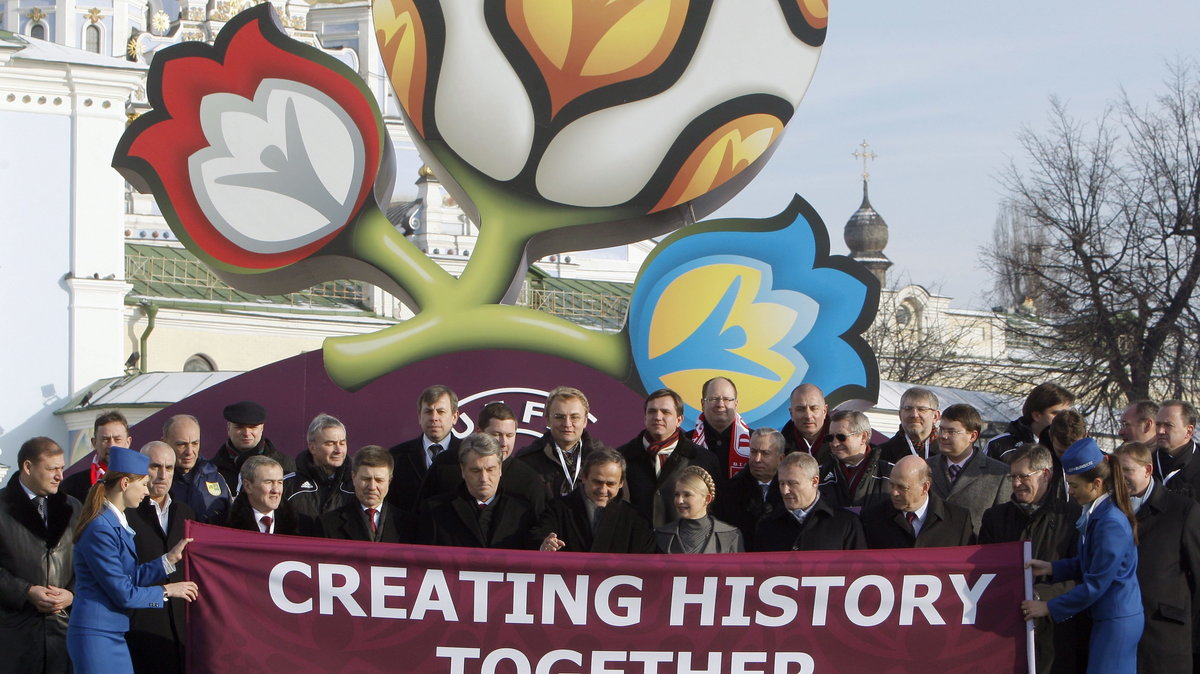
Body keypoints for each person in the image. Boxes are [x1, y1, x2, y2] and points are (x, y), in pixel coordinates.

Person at [66, 446, 198, 674]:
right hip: (96, 633)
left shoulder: (113, 524)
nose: (147, 491)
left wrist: (167, 560)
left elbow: (128, 578)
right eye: (143, 484)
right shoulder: (101, 528)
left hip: (112, 631)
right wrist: (167, 591)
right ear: (125, 484)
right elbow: (123, 592)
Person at [1022, 438, 1143, 674]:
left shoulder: (1110, 522)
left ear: (1096, 483)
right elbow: (1091, 562)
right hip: (1109, 617)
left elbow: (1098, 582)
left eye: (1075, 485)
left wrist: (1048, 606)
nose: (1070, 491)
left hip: (1116, 620)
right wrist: (1052, 568)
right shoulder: (1100, 513)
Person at [979, 445, 1084, 674]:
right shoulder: (995, 518)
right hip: (1003, 631)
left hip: (1055, 634)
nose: (1016, 483)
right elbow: (982, 571)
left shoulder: (1073, 518)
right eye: (1013, 476)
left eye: (1023, 476)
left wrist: (1042, 598)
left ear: (1045, 474)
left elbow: (1082, 575)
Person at [1114, 441, 1200, 673]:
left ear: (1148, 470)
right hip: (1117, 633)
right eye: (1116, 471)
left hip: (1166, 637)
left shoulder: (1183, 510)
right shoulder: (1109, 510)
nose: (1121, 478)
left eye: (1127, 470)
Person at [0, 437, 80, 674]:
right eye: (52, 469)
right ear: (27, 467)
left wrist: (72, 594)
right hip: (13, 636)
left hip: (63, 634)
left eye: (62, 468)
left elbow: (87, 563)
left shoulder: (73, 507)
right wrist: (26, 591)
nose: (60, 476)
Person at [126, 441, 195, 674]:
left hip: (179, 632)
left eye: (170, 467)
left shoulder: (186, 513)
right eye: (155, 467)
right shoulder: (127, 513)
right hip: (140, 626)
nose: (163, 475)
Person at [419, 402, 547, 515]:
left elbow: (538, 527)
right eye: (496, 434)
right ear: (479, 432)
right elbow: (422, 512)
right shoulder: (446, 464)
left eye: (509, 435)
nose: (503, 442)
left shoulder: (528, 478)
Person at [615, 389, 719, 528]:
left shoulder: (703, 459)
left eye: (666, 412)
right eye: (652, 411)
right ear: (645, 417)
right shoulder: (621, 457)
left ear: (679, 420)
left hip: (683, 544)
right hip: (636, 544)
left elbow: (717, 508)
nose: (658, 417)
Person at [419, 433, 537, 549]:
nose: (484, 479)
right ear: (463, 471)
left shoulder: (523, 512)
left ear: (500, 469)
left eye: (490, 470)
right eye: (476, 471)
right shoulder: (435, 511)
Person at [536, 448, 655, 554]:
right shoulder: (557, 510)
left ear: (621, 483)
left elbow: (647, 562)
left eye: (610, 484)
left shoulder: (637, 520)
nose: (603, 490)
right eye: (597, 482)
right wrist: (544, 545)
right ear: (583, 477)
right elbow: (538, 538)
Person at [756, 453, 866, 552]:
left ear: (814, 481)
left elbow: (859, 569)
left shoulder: (846, 523)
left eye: (792, 483)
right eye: (781, 483)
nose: (785, 491)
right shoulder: (767, 525)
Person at [929, 403, 1012, 535]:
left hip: (974, 552)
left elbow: (1003, 526)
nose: (943, 436)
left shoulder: (999, 474)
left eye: (951, 432)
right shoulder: (925, 468)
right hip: (928, 551)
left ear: (972, 436)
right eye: (942, 429)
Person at [861, 456, 974, 549]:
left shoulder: (958, 520)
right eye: (891, 485)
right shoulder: (872, 518)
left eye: (902, 487)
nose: (894, 492)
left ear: (925, 487)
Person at [517, 386, 605, 499]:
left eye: (574, 417)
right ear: (548, 420)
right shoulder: (527, 461)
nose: (567, 424)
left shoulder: (602, 459)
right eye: (559, 417)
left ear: (585, 421)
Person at [388, 385, 462, 513]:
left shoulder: (468, 455)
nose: (434, 418)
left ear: (454, 417)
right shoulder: (396, 456)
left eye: (441, 411)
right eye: (428, 411)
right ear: (419, 416)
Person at [318, 445, 416, 543]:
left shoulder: (409, 525)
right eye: (366, 479)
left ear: (389, 481)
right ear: (353, 477)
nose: (372, 487)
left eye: (379, 480)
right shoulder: (328, 524)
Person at [713, 428, 784, 550]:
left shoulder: (791, 491)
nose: (757, 459)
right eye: (753, 452)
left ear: (781, 458)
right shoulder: (730, 491)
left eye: (765, 453)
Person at [285, 413, 354, 535]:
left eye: (342, 443)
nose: (338, 450)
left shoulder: (357, 484)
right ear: (312, 447)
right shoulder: (288, 486)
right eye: (330, 444)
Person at [654, 466, 744, 553]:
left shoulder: (730, 536)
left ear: (707, 499)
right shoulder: (662, 536)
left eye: (687, 495)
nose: (679, 501)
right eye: (677, 495)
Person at [211, 401, 296, 492]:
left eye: (252, 427)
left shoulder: (286, 466)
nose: (246, 433)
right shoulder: (211, 470)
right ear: (228, 427)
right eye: (239, 427)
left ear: (262, 428)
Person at [818, 410, 892, 512]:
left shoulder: (891, 473)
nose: (834, 443)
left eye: (841, 437)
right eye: (830, 437)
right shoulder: (818, 475)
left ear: (863, 437)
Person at [163, 414, 232, 524]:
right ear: (165, 442)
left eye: (195, 443)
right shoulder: (154, 481)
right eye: (181, 444)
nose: (189, 451)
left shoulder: (216, 478)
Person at [987, 382, 1074, 462]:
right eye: (1056, 413)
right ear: (1036, 415)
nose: (1063, 418)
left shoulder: (1071, 445)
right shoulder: (999, 446)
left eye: (1067, 414)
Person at [62, 412, 132, 503]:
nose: (111, 445)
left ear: (128, 442)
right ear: (94, 443)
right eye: (105, 439)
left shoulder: (139, 483)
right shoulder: (72, 486)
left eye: (117, 439)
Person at [690, 377, 752, 480]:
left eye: (727, 399)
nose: (720, 404)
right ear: (702, 404)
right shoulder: (685, 443)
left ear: (736, 404)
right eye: (714, 399)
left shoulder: (753, 442)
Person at [224, 456, 297, 535]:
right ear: (248, 486)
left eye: (280, 482)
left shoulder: (301, 525)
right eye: (268, 482)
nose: (276, 490)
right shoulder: (222, 525)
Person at [879, 387, 941, 463]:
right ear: (900, 415)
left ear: (935, 416)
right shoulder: (881, 454)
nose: (914, 415)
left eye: (922, 409)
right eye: (908, 409)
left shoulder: (949, 454)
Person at [1154, 400, 1200, 500]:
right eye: (1158, 424)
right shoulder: (1145, 461)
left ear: (1189, 431)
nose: (1160, 431)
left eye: (1168, 425)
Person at [781, 384, 831, 461]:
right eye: (800, 409)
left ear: (824, 411)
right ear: (791, 413)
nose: (808, 416)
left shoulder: (841, 441)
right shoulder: (780, 448)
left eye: (814, 408)